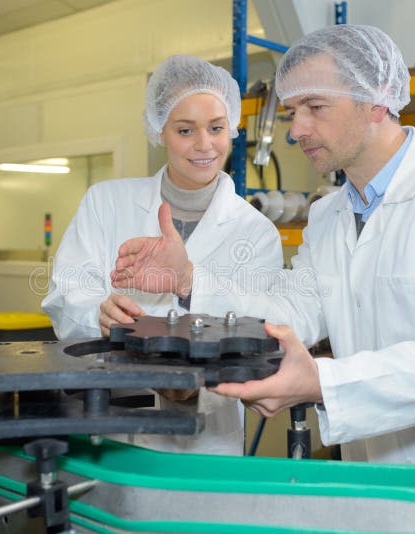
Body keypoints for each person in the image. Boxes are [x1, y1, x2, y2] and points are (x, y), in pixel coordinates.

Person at [110, 25, 415, 483]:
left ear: (377, 99)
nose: (297, 130)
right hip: (374, 477)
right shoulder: (328, 216)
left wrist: (321, 382)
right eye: (293, 110)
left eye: (315, 107)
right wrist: (189, 281)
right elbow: (294, 307)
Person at [42, 54, 283, 455]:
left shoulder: (256, 233)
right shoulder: (106, 203)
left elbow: (260, 327)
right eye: (185, 129)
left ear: (233, 129)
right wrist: (99, 316)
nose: (204, 144)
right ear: (159, 132)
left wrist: (190, 382)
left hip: (207, 440)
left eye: (217, 128)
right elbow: (64, 295)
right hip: (113, 425)